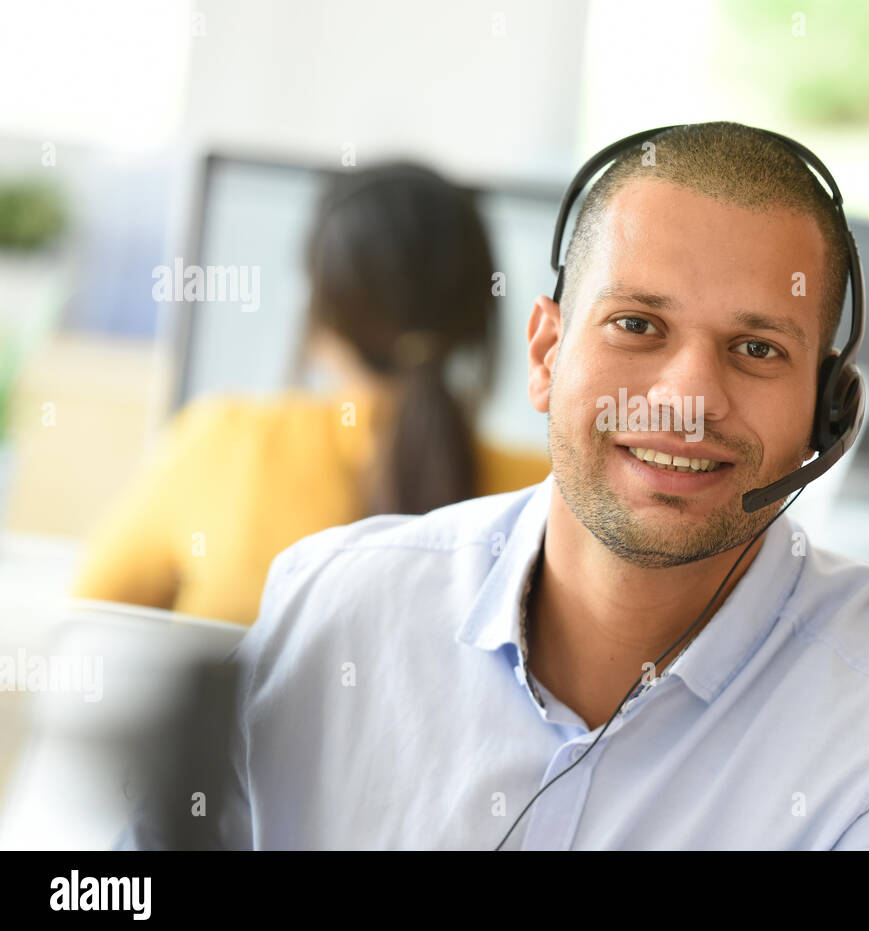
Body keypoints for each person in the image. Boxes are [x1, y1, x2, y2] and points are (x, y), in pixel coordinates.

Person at [118, 121, 869, 849]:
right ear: (547, 355)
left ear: (826, 411)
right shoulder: (335, 603)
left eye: (758, 348)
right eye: (637, 324)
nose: (688, 400)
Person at [72, 162, 550, 625]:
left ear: (321, 311)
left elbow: (83, 628)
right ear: (478, 319)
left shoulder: (221, 444)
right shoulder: (544, 498)